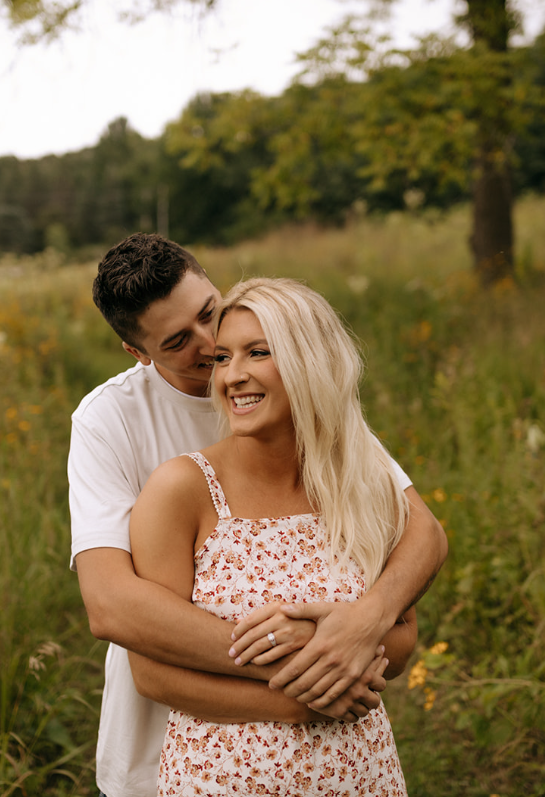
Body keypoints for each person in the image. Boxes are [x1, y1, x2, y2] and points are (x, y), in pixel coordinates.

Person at [68, 234, 446, 797]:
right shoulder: (111, 422)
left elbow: (422, 531)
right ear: (139, 353)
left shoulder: (308, 406)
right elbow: (113, 607)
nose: (210, 342)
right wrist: (306, 671)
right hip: (172, 755)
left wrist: (367, 621)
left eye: (208, 313)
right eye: (178, 341)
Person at [128, 277, 411, 795]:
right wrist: (309, 688)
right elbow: (152, 675)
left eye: (257, 353)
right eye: (222, 358)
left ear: (311, 361)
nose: (233, 376)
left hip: (361, 774)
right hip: (222, 779)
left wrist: (349, 636)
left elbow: (405, 637)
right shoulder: (182, 489)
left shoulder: (364, 481)